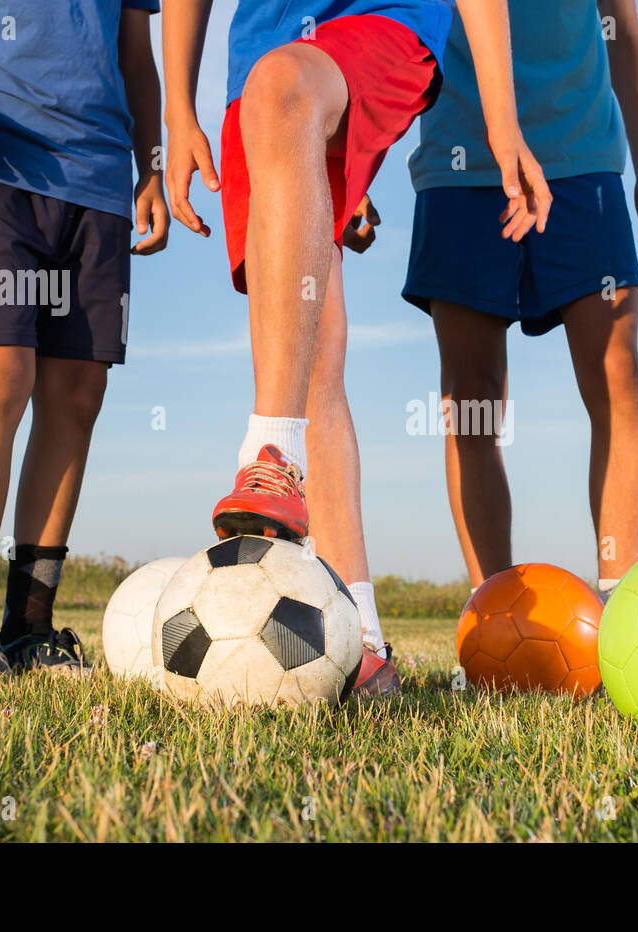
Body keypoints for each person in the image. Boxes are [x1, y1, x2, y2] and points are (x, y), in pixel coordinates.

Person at [161, 0, 551, 695]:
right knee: (308, 354)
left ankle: (269, 455)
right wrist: (177, 106)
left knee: (284, 87)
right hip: (257, 58)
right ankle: (359, 639)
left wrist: (501, 121)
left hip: (380, 23)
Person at [0, 0, 169, 678]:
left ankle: (30, 625)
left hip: (98, 180)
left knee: (78, 394)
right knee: (0, 373)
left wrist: (151, 167)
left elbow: (137, 58)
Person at [380, 0, 638, 595]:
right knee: (472, 399)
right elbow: (388, 32)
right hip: (461, 163)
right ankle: (491, 608)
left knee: (616, 372)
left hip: (581, 160)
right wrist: (352, 168)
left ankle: (619, 605)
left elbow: (624, 34)